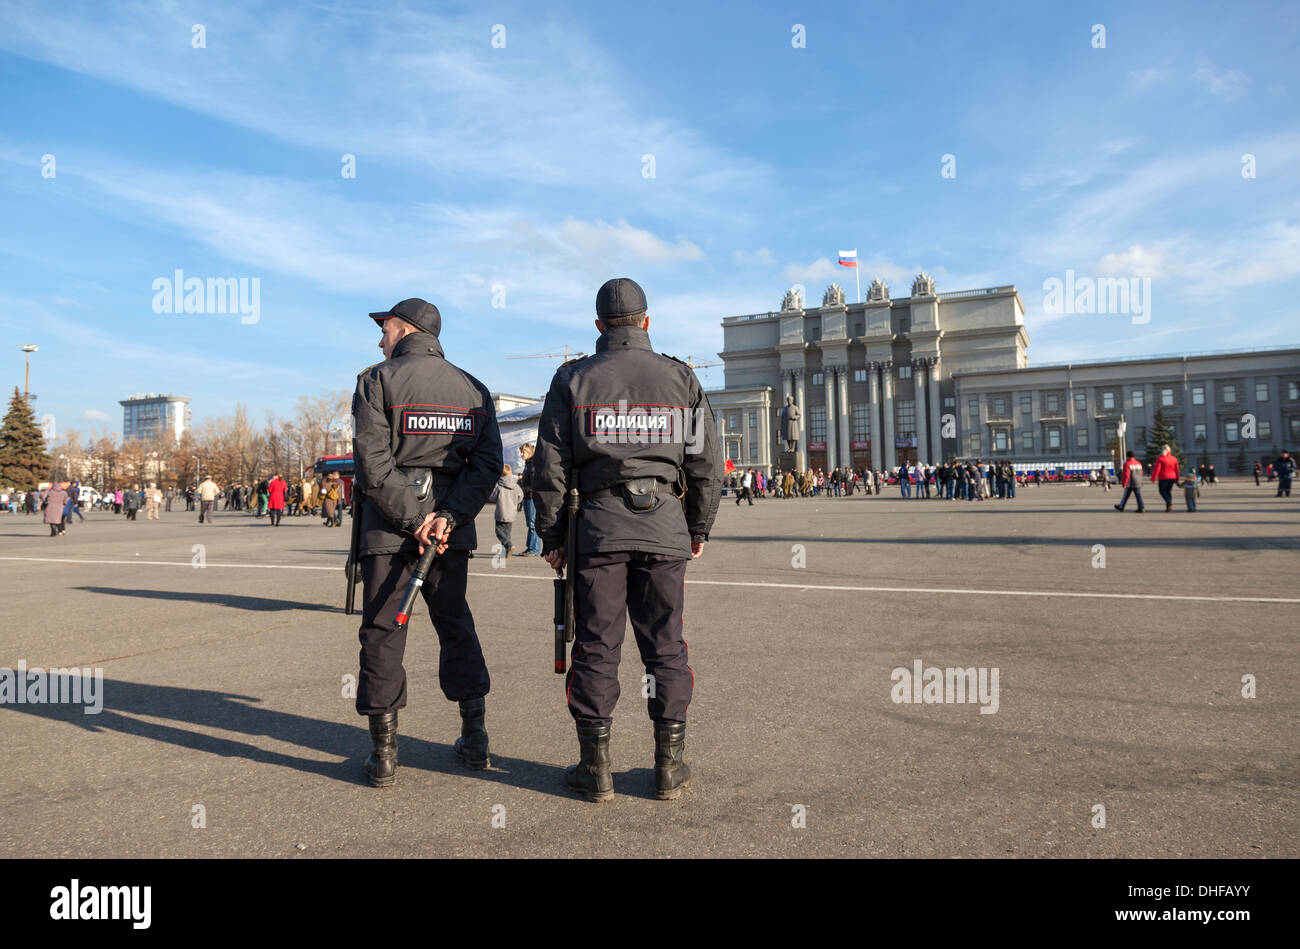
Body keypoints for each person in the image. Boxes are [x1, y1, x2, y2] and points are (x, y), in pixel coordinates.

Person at [533, 277, 721, 803]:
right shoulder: (681, 378)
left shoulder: (572, 378)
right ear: (646, 321)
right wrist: (697, 527)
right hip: (664, 526)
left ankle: (595, 772)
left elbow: (549, 468)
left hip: (598, 528)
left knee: (596, 646)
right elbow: (706, 464)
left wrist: (552, 535)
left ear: (598, 326)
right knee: (666, 648)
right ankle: (668, 766)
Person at [352, 296, 502, 787]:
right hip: (448, 531)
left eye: (386, 328)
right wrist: (448, 517)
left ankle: (384, 755)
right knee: (455, 623)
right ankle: (476, 741)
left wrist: (415, 519)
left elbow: (372, 465)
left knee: (383, 629)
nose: (380, 339)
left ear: (407, 329)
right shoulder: (474, 388)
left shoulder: (377, 380)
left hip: (390, 527)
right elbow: (486, 466)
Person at [487, 463, 523, 558]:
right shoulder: (515, 485)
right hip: (512, 513)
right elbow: (521, 496)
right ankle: (507, 549)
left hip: (501, 512)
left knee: (499, 532)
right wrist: (515, 503)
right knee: (507, 532)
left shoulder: (499, 485)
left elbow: (492, 497)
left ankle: (508, 545)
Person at [518, 443, 543, 556]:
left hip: (532, 498)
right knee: (530, 524)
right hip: (527, 497)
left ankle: (534, 549)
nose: (521, 454)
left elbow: (534, 485)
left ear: (530, 452)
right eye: (521, 452)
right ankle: (529, 547)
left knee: (533, 524)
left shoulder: (532, 465)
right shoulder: (528, 464)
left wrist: (521, 489)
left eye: (523, 452)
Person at [1151, 445, 1180, 512]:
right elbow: (1177, 470)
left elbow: (1157, 469)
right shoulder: (1174, 458)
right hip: (1172, 477)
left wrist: (1153, 478)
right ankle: (1168, 507)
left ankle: (1169, 502)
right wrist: (1177, 478)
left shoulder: (1161, 458)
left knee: (1162, 491)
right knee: (1168, 491)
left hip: (1163, 477)